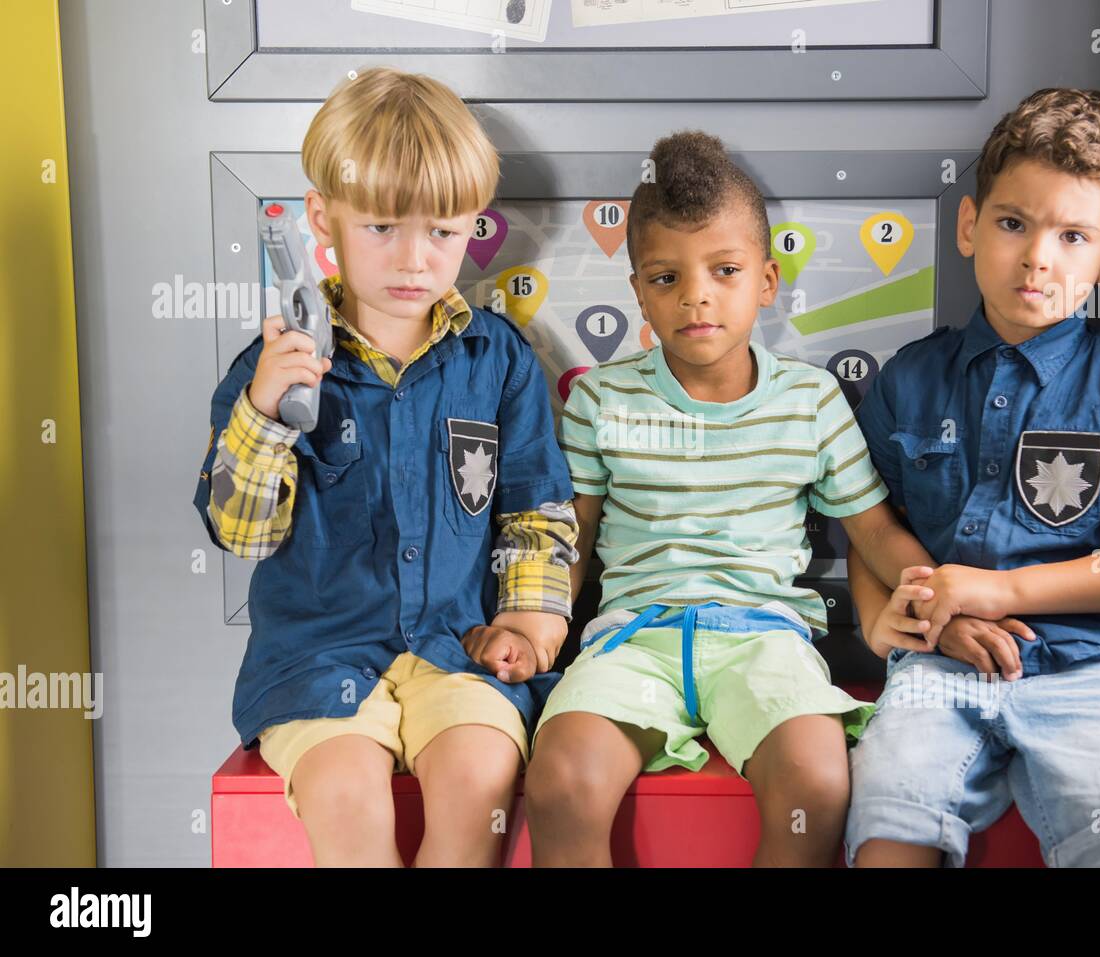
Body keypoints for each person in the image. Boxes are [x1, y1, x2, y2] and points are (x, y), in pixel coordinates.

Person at [192, 67, 577, 866]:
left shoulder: (496, 359)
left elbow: (534, 511)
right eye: (381, 229)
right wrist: (264, 413)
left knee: (478, 788)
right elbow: (241, 533)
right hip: (317, 659)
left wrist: (533, 628)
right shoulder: (271, 370)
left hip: (458, 647)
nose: (413, 259)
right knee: (347, 806)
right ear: (322, 219)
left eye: (441, 232)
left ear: (474, 225)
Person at [524, 130, 938, 867]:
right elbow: (573, 535)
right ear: (638, 292)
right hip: (632, 640)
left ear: (767, 280)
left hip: (764, 638)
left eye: (724, 270)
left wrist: (926, 589)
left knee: (814, 779)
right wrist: (540, 620)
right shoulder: (599, 400)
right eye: (665, 278)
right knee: (559, 778)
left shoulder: (810, 400)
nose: (696, 297)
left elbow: (871, 526)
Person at [846, 88, 1100, 868]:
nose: (1037, 258)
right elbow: (872, 527)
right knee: (888, 826)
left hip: (1096, 671)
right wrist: (887, 619)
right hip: (937, 667)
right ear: (968, 225)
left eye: (1074, 235)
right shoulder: (907, 381)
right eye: (1013, 223)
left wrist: (1002, 590)